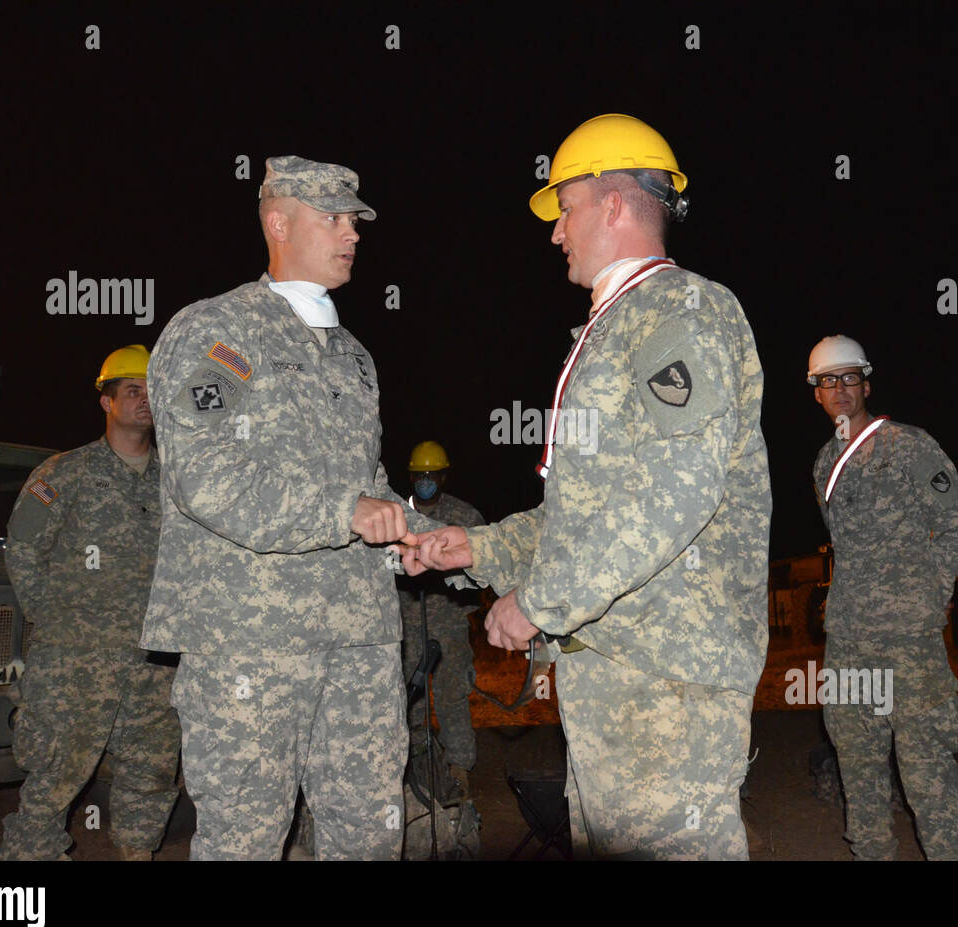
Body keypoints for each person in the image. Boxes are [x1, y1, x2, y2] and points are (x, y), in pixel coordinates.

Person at [407, 115, 771, 859]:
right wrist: (471, 549)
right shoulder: (615, 328)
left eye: (565, 209)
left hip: (666, 682)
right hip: (619, 682)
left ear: (613, 204)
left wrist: (540, 604)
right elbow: (575, 519)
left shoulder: (679, 312)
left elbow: (677, 492)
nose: (554, 233)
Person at [143, 156, 441, 860]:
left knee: (369, 831)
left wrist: (440, 541)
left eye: (355, 220)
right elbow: (206, 476)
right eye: (332, 218)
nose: (352, 233)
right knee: (246, 838)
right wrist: (345, 510)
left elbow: (368, 483)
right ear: (278, 222)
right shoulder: (219, 332)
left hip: (360, 639)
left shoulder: (354, 357)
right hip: (251, 640)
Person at [0, 345, 179, 861]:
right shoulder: (66, 473)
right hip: (75, 664)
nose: (144, 402)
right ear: (106, 401)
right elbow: (25, 553)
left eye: (152, 393)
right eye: (132, 391)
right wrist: (59, 626)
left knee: (150, 777)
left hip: (154, 664)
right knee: (53, 779)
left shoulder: (177, 483)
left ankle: (137, 854)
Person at [805, 333, 958, 860]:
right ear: (816, 393)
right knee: (858, 768)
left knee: (926, 771)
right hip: (849, 640)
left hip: (909, 642)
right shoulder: (822, 463)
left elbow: (954, 524)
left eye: (848, 378)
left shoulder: (908, 444)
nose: (839, 389)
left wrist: (931, 598)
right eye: (827, 381)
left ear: (866, 385)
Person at [398, 440, 485, 796]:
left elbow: (482, 572)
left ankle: (458, 771)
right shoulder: (396, 517)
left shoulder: (465, 518)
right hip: (405, 628)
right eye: (420, 474)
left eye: (432, 474)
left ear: (444, 476)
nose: (425, 480)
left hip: (448, 625)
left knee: (451, 697)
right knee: (407, 701)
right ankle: (416, 772)